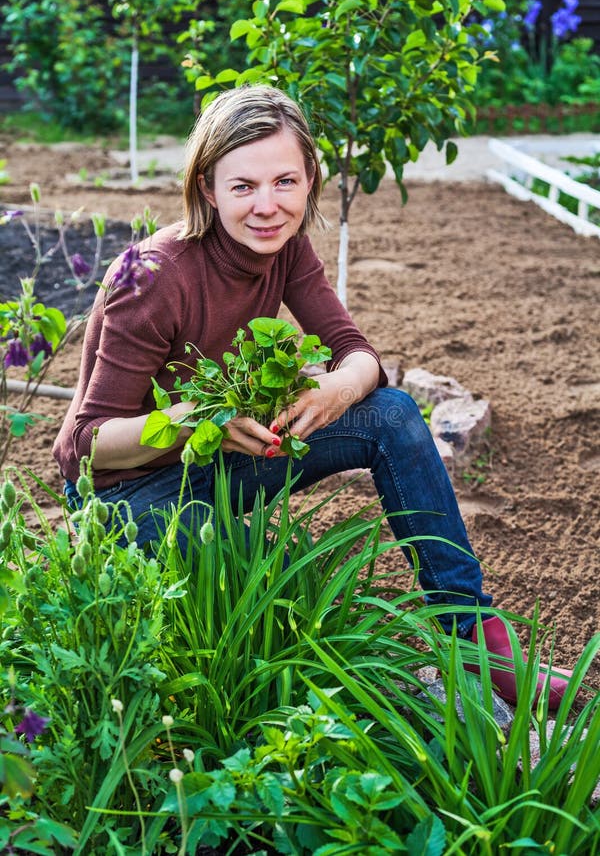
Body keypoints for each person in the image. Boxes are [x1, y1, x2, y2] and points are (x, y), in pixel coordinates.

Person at [53, 84, 571, 707]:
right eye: (243, 186)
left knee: (395, 415)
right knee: (265, 586)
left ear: (309, 182)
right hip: (127, 493)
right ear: (207, 189)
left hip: (218, 461)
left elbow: (358, 352)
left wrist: (340, 386)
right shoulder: (156, 276)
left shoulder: (286, 248)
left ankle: (472, 637)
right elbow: (79, 449)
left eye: (285, 182)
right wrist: (200, 423)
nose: (267, 206)